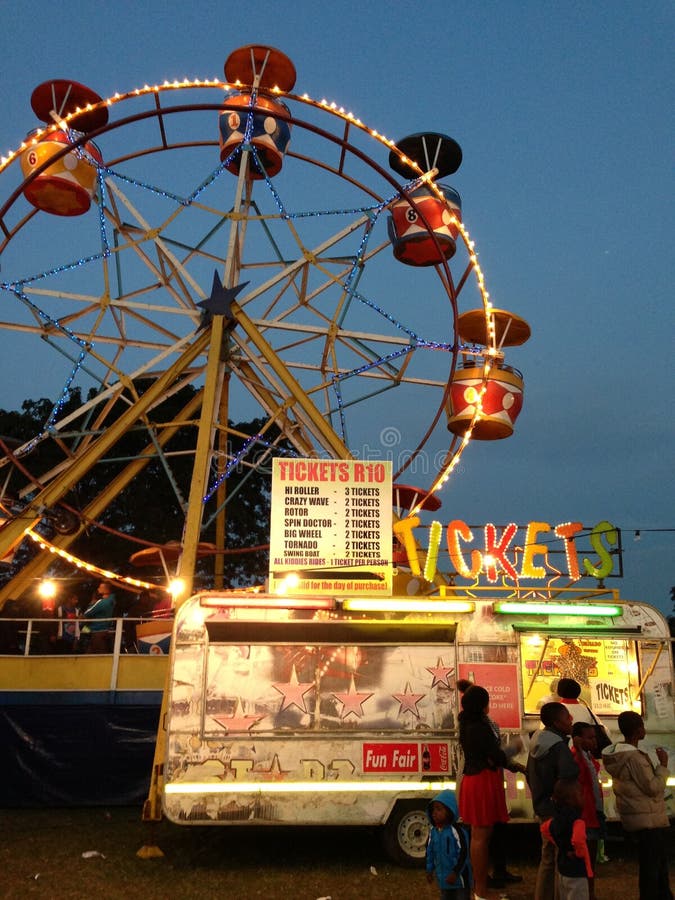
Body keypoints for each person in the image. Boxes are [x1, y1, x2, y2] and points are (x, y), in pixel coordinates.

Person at [456, 678, 523, 890]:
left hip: (479, 779)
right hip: (482, 780)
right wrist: (515, 749)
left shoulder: (470, 723)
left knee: (480, 836)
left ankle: (480, 885)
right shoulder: (479, 727)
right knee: (480, 838)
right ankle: (481, 888)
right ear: (482, 704)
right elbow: (495, 756)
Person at [602, 710, 672, 900]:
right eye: (641, 725)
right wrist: (663, 765)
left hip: (636, 817)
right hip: (648, 820)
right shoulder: (635, 758)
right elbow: (653, 787)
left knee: (652, 865)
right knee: (654, 868)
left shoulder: (619, 755)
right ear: (637, 730)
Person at [526, 701, 579, 900]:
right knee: (561, 858)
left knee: (547, 858)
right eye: (567, 717)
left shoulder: (536, 743)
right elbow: (568, 776)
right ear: (557, 722)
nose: (571, 720)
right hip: (557, 811)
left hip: (543, 808)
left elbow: (529, 776)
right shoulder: (558, 747)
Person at [540, 779, 593, 900]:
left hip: (563, 868)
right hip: (577, 871)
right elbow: (578, 839)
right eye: (580, 794)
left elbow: (544, 829)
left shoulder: (557, 820)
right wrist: (579, 853)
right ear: (573, 799)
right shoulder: (578, 821)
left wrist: (559, 843)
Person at [570, 723, 605, 899]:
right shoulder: (576, 756)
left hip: (593, 811)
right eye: (590, 737)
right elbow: (581, 774)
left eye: (594, 737)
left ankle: (590, 892)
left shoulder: (587, 756)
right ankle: (588, 893)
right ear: (578, 739)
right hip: (585, 814)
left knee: (591, 857)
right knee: (586, 859)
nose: (594, 741)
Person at [425, 789, 472, 900]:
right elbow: (429, 853)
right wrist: (429, 870)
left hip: (460, 880)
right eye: (433, 810)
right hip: (444, 880)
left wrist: (455, 873)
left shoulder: (457, 831)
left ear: (450, 811)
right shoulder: (433, 832)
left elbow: (464, 853)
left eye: (439, 809)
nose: (434, 813)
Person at [81, 581, 116, 653]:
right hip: (105, 631)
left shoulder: (101, 602)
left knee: (97, 655)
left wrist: (92, 603)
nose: (98, 588)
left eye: (100, 587)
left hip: (97, 632)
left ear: (105, 589)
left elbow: (87, 613)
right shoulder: (111, 601)